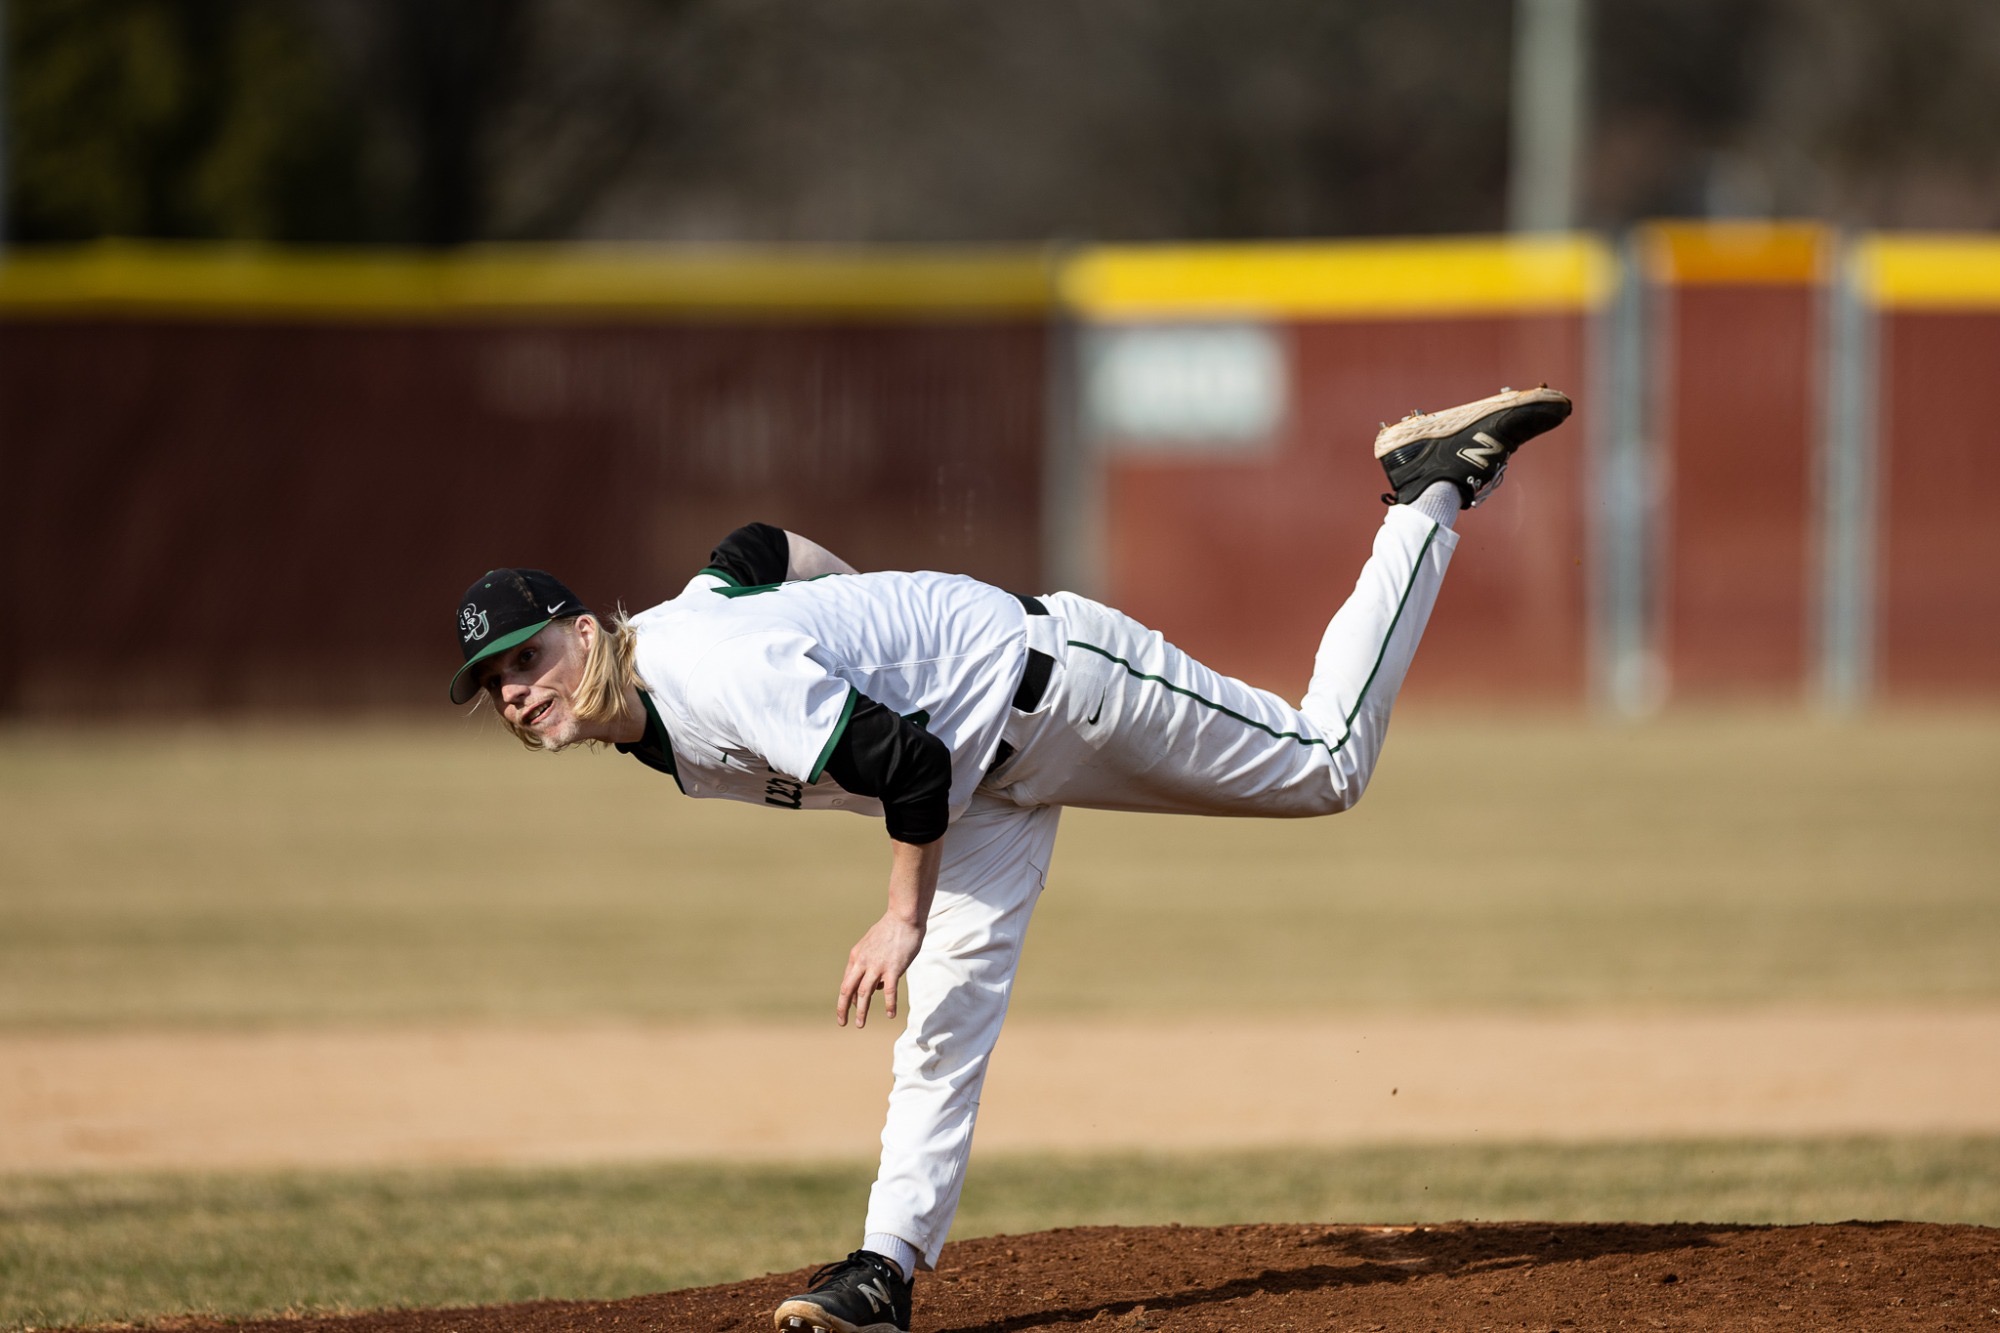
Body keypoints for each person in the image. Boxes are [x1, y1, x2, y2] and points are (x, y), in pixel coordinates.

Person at [448, 386, 1573, 1333]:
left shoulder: (712, 679)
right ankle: (881, 1271)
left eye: (528, 655)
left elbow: (910, 765)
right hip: (984, 768)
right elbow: (753, 553)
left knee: (1325, 762)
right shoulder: (672, 652)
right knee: (942, 1019)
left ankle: (1429, 487)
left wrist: (899, 914)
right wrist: (861, 618)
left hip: (1061, 690)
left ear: (587, 631)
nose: (515, 690)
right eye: (493, 683)